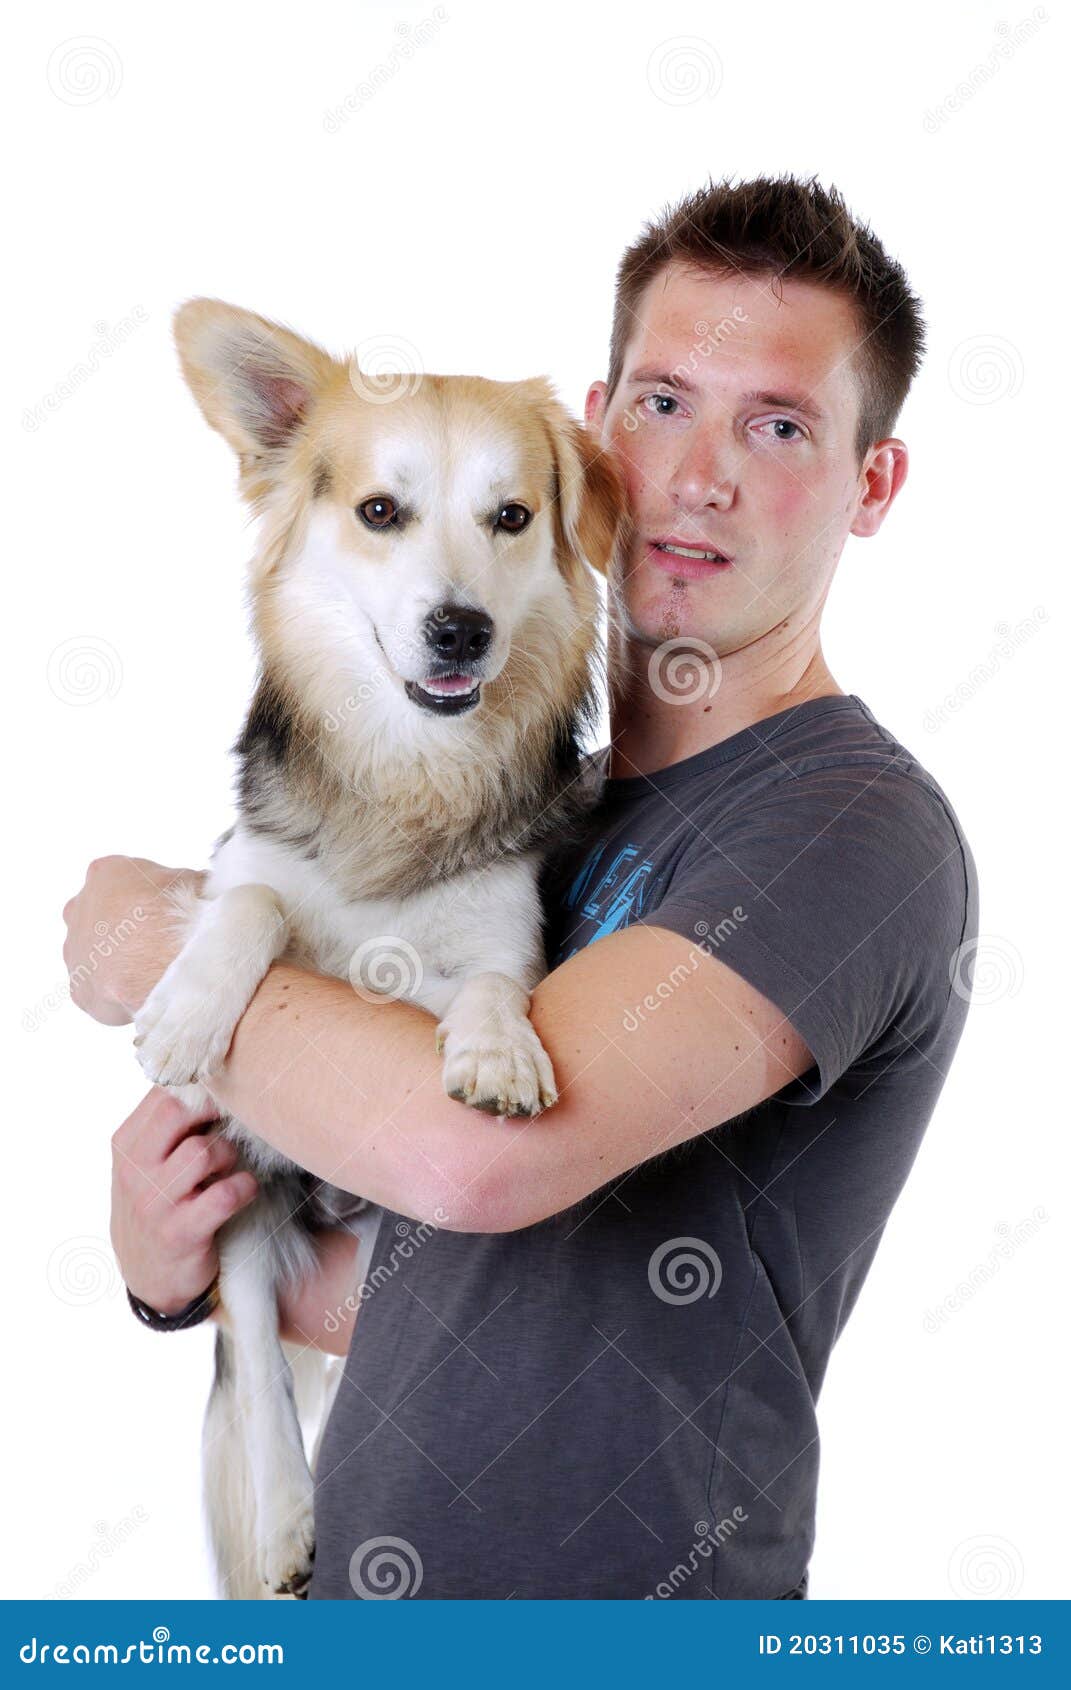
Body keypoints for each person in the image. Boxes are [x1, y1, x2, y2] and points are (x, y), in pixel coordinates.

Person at [63, 175, 978, 1600]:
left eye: (781, 424)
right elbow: (466, 1292)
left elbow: (474, 1160)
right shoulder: (542, 812)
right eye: (666, 404)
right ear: (596, 437)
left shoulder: (841, 827)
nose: (701, 474)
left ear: (873, 485)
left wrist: (157, 938)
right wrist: (187, 1257)